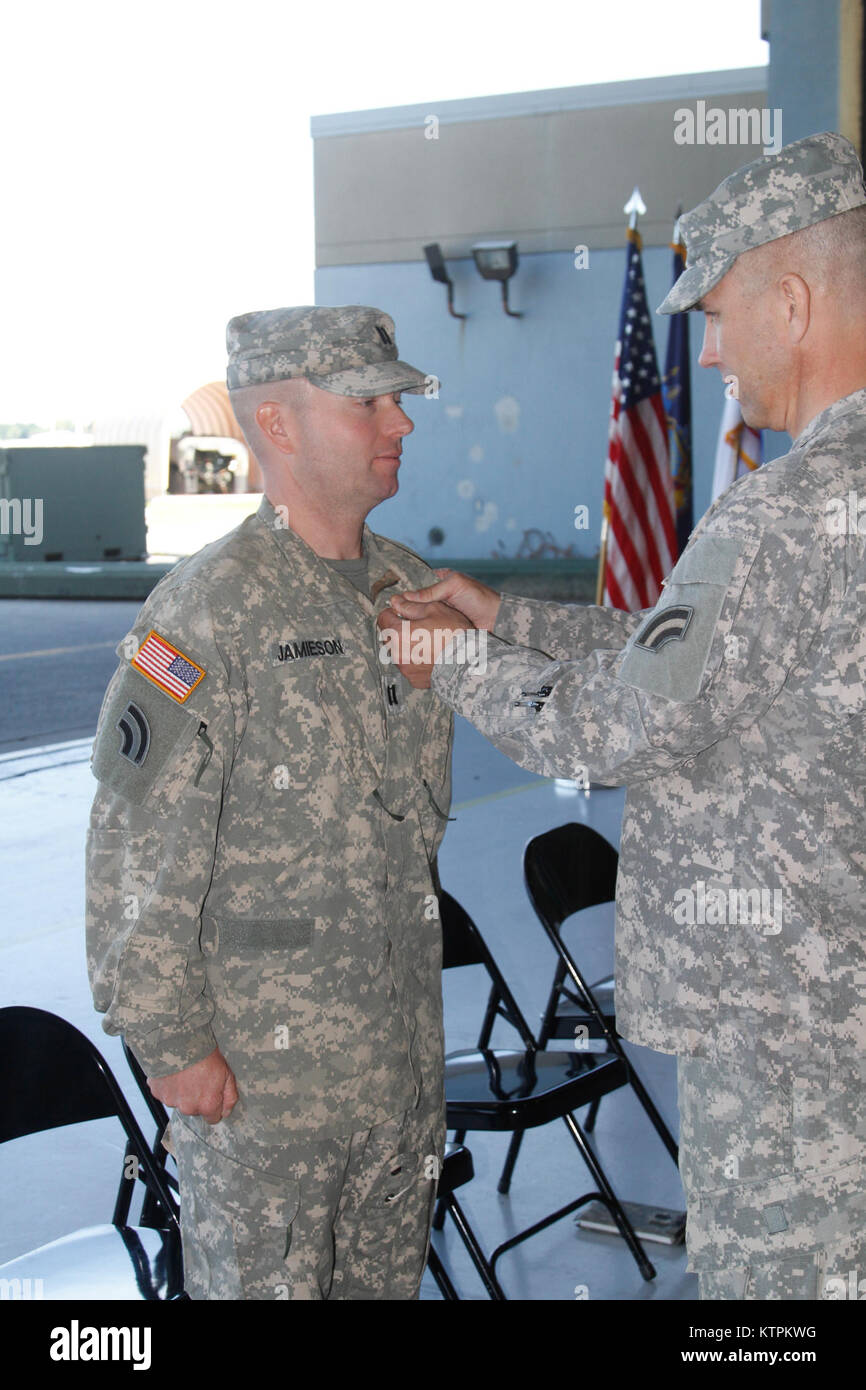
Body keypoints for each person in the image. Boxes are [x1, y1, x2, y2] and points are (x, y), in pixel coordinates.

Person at [379, 132, 866, 1301]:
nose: (704, 355)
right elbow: (701, 660)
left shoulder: (783, 515)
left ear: (791, 302)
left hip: (788, 1033)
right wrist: (513, 617)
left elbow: (611, 729)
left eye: (717, 312)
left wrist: (457, 657)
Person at [86, 305, 453, 1300]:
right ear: (279, 426)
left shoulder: (412, 590)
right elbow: (134, 834)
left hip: (400, 1072)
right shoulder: (205, 608)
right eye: (368, 402)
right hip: (262, 1090)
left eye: (399, 399)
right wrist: (170, 1042)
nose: (400, 423)